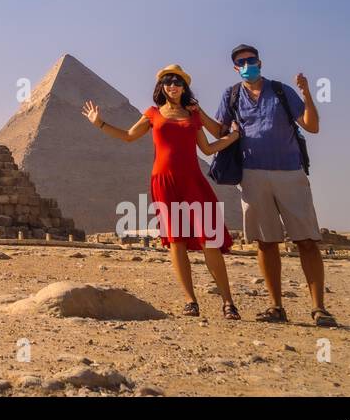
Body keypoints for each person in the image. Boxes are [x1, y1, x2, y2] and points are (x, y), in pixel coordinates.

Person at [83, 64, 243, 319]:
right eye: (168, 82)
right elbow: (127, 136)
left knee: (209, 240)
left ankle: (228, 302)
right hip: (164, 183)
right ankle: (191, 301)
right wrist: (99, 123)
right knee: (176, 242)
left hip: (192, 181)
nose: (173, 86)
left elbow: (208, 149)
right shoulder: (152, 113)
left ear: (184, 87)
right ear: (162, 87)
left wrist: (234, 137)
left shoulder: (192, 114)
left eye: (178, 82)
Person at [193, 44, 336, 327]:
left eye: (251, 60)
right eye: (241, 62)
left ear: (260, 61)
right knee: (266, 243)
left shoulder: (281, 91)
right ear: (236, 68)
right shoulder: (232, 95)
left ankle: (319, 308)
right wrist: (197, 112)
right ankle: (276, 307)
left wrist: (307, 94)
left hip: (290, 173)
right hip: (252, 175)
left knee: (306, 240)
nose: (247, 64)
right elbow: (220, 131)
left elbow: (311, 126)